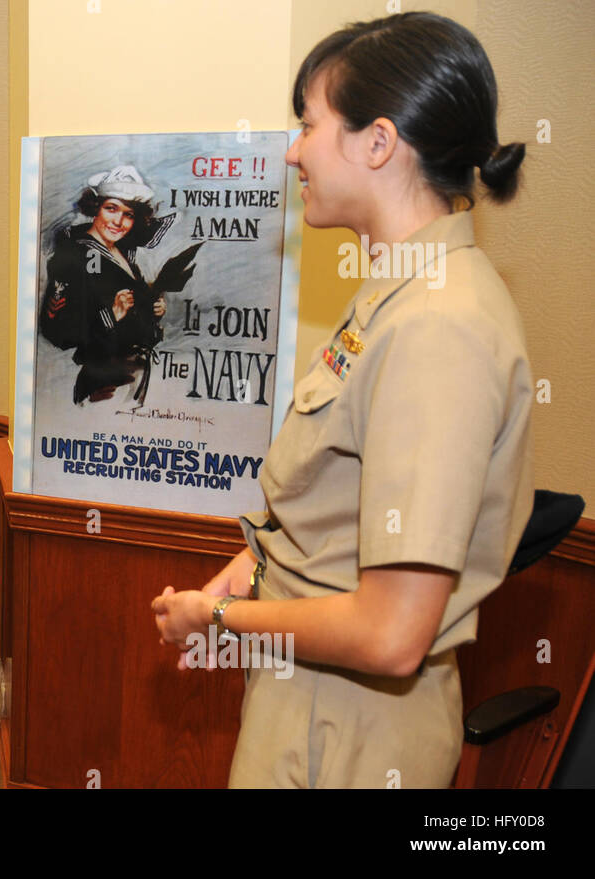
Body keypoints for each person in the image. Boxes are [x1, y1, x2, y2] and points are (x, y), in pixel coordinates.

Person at [151, 12, 532, 788]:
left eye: (309, 123)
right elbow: (345, 502)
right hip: (314, 695)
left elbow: (392, 633)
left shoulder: (436, 326)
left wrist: (215, 619)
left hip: (352, 728)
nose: (292, 149)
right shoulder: (398, 292)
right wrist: (251, 569)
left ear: (379, 142)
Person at [38, 165, 200, 404]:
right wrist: (111, 315)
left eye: (128, 214)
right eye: (111, 209)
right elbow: (56, 331)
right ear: (95, 208)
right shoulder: (73, 255)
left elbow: (128, 306)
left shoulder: (123, 252)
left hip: (135, 375)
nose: (118, 221)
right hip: (103, 384)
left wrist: (152, 309)